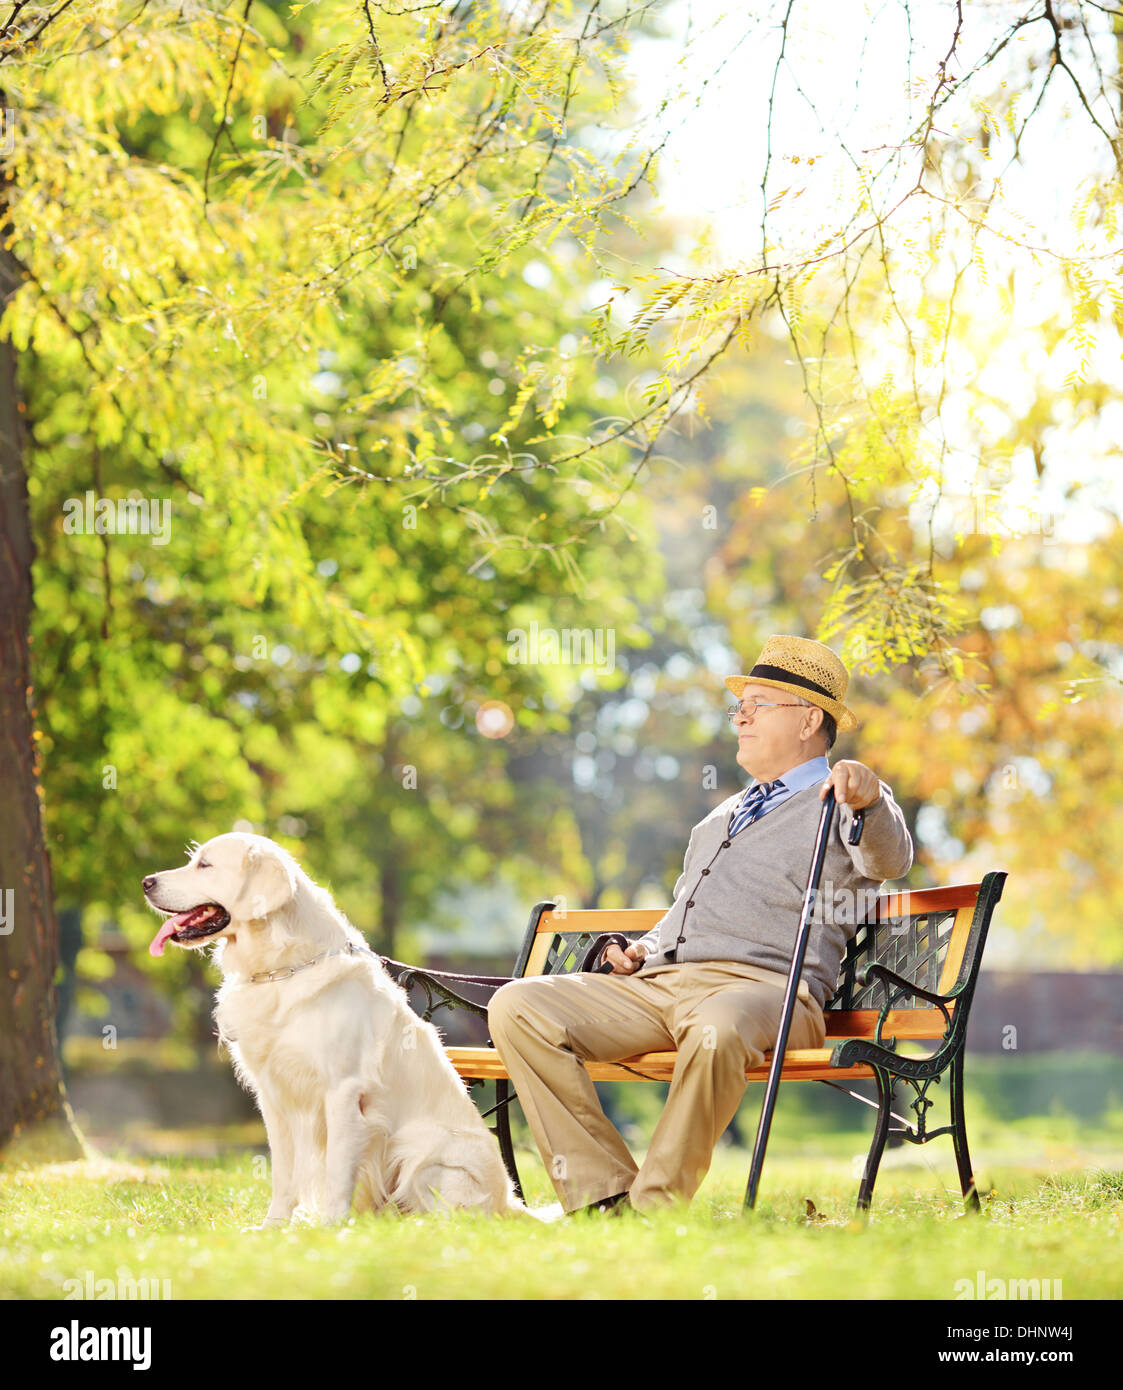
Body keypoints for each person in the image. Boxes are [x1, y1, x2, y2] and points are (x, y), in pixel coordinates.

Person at [487, 635, 914, 1215]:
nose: (741, 716)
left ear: (810, 718)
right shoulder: (721, 815)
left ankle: (652, 1208)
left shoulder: (841, 797)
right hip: (663, 987)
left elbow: (888, 861)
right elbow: (682, 912)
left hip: (770, 995)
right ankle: (602, 1196)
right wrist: (642, 950)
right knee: (519, 1006)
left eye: (759, 704)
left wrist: (870, 800)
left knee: (717, 1023)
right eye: (741, 705)